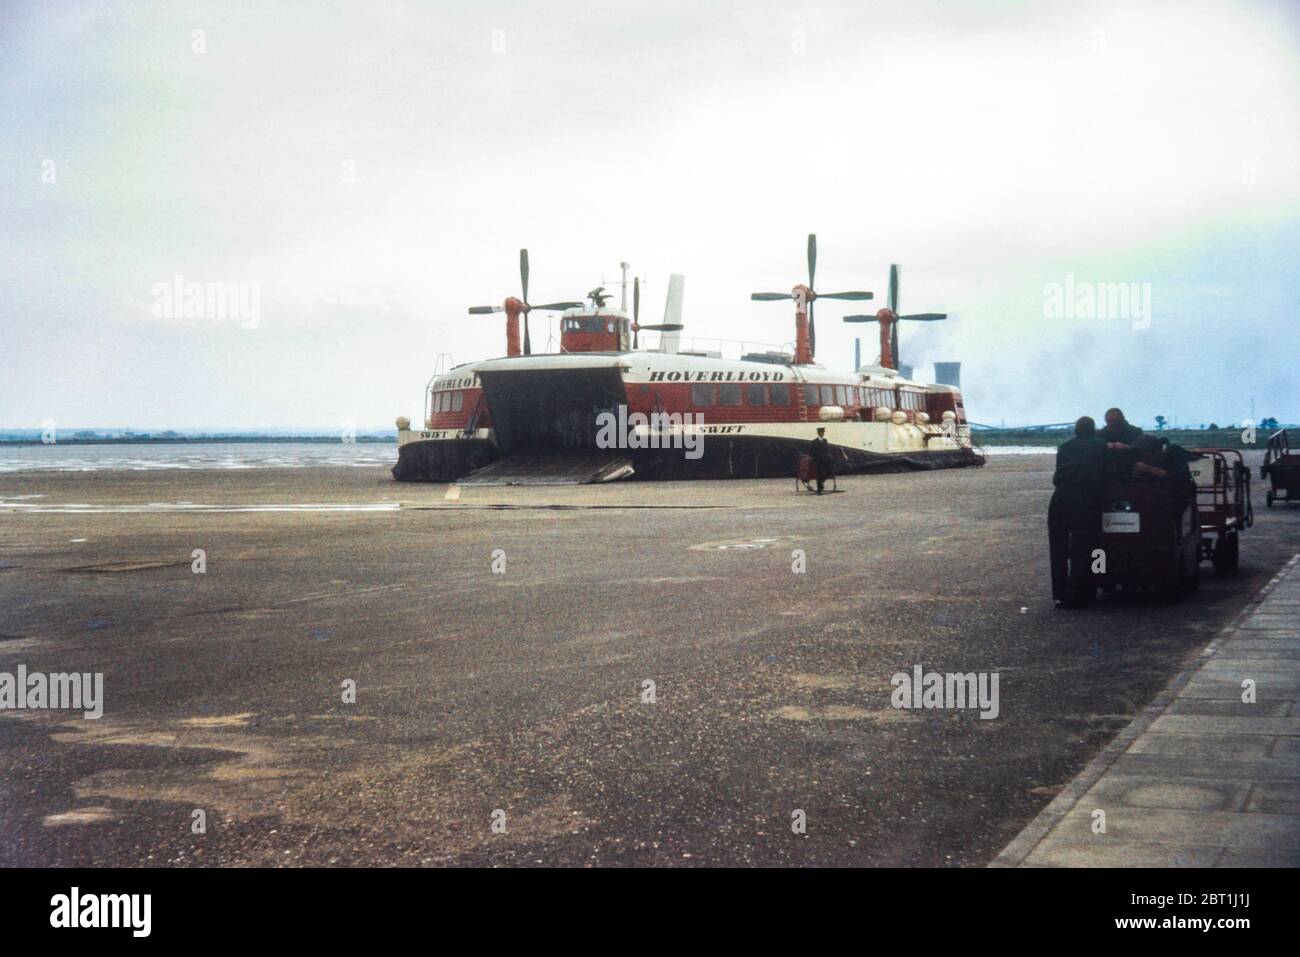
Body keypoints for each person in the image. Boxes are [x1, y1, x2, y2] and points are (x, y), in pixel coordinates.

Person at [1048, 416, 1106, 609]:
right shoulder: (1100, 446)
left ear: (1076, 430)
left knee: (1059, 549)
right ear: (1094, 429)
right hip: (1086, 499)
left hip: (1060, 498)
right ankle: (1083, 593)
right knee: (1086, 548)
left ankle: (1060, 595)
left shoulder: (1064, 447)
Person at [809, 427, 835, 494]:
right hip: (818, 460)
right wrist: (815, 458)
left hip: (825, 460)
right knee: (819, 474)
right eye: (820, 432)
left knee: (829, 471)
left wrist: (828, 456)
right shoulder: (814, 442)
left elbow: (827, 450)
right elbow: (811, 451)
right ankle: (819, 489)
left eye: (823, 432)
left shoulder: (825, 441)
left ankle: (822, 482)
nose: (822, 433)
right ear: (818, 433)